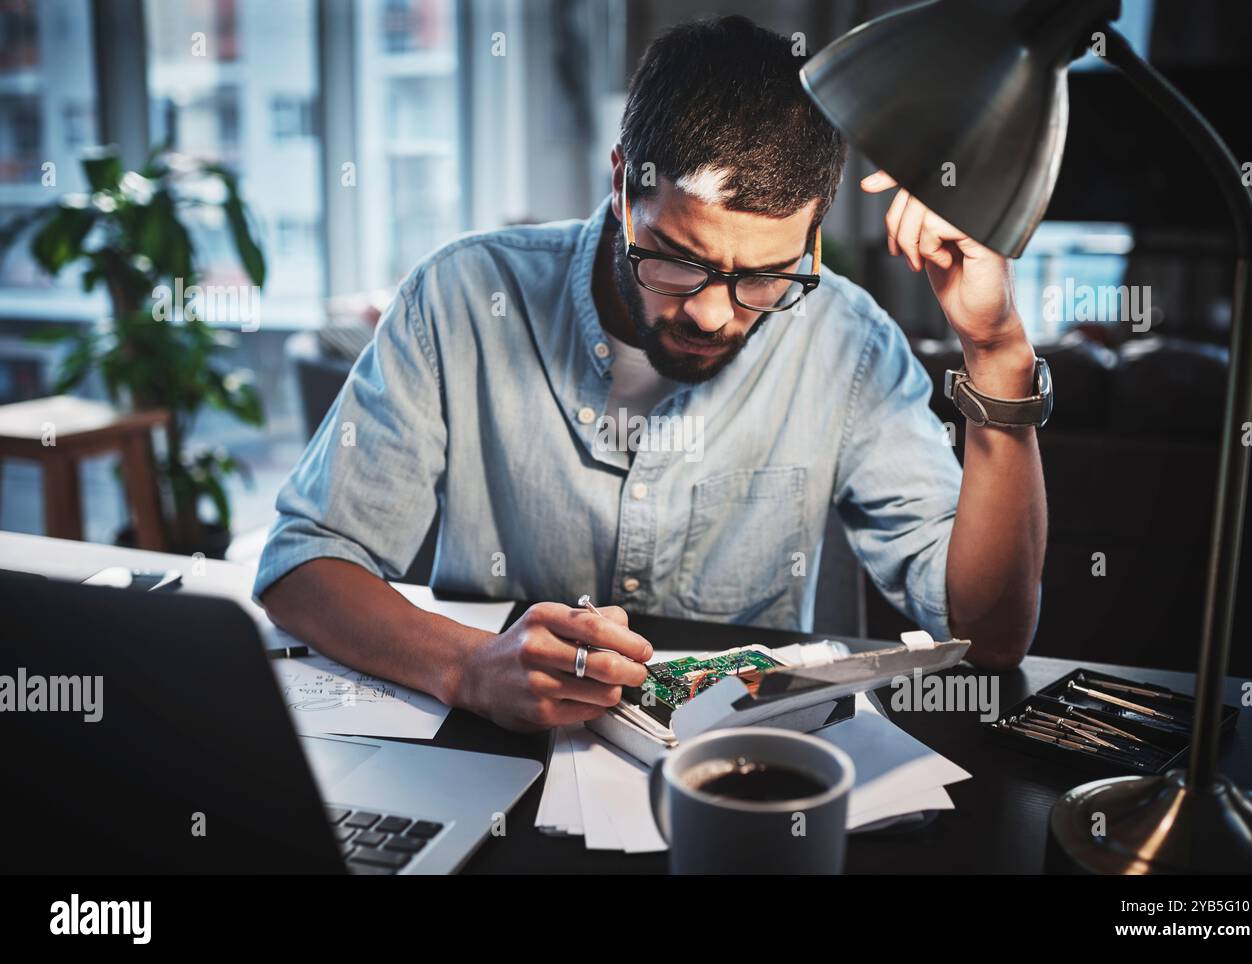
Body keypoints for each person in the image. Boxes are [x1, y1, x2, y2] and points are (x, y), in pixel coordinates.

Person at [255, 15, 1046, 732]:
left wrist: (997, 351)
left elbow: (988, 639)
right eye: (676, 259)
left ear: (812, 235)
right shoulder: (463, 298)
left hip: (738, 787)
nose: (712, 314)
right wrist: (465, 664)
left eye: (764, 278)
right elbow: (303, 563)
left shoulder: (849, 342)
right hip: (497, 756)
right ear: (622, 186)